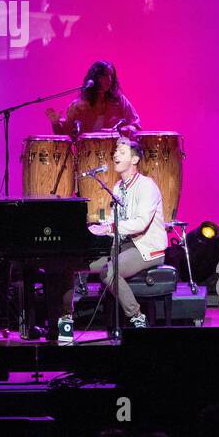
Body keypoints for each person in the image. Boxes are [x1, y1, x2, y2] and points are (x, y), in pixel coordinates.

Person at [57, 136, 165, 340]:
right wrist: (96, 225)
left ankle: (137, 318)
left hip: (147, 248)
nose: (115, 154)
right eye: (115, 151)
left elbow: (140, 223)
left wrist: (109, 227)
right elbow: (117, 218)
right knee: (72, 264)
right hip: (123, 246)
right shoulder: (118, 188)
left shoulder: (146, 186)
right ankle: (65, 321)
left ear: (134, 160)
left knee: (109, 272)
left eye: (121, 152)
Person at [46, 61, 140, 137]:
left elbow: (135, 126)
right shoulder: (78, 106)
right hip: (87, 157)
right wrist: (55, 123)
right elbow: (67, 135)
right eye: (105, 75)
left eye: (111, 76)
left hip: (116, 154)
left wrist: (116, 131)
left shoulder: (119, 100)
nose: (109, 79)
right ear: (95, 77)